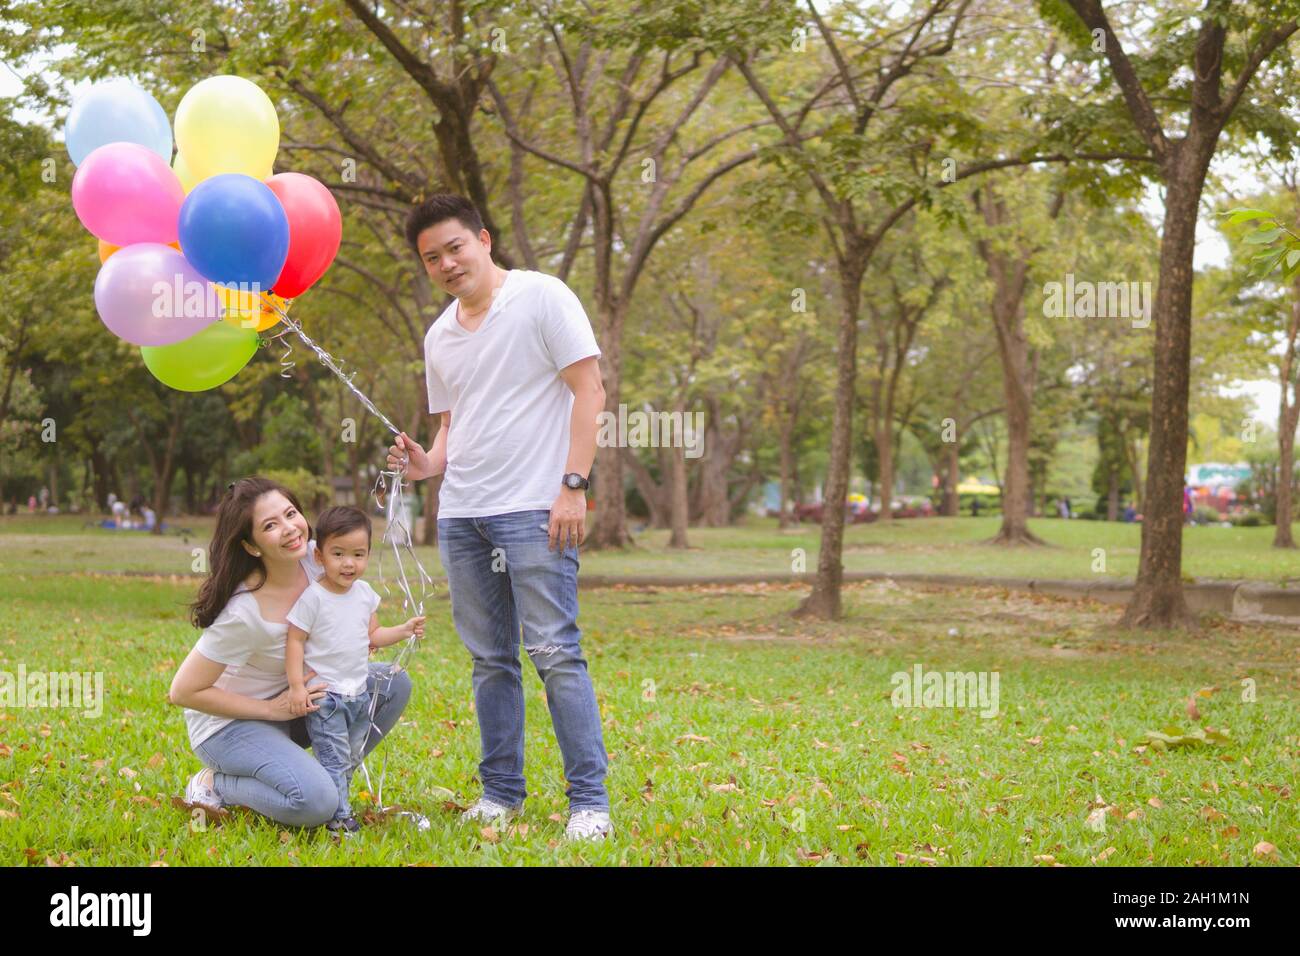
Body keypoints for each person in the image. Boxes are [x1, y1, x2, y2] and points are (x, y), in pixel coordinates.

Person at [386, 194, 612, 841]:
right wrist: (427, 464)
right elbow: (453, 425)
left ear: (484, 239)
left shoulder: (542, 297)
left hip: (534, 510)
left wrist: (573, 485)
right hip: (462, 515)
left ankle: (589, 805)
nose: (447, 263)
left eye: (455, 247)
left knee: (555, 654)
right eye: (432, 258)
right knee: (491, 662)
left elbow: (588, 388)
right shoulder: (439, 336)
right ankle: (500, 794)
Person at [167, 477, 414, 828]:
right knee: (315, 804)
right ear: (252, 546)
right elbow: (183, 692)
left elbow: (347, 604)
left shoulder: (315, 560)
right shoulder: (243, 611)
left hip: (301, 703)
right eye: (270, 525)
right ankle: (215, 784)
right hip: (230, 727)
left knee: (392, 684)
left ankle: (331, 778)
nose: (289, 529)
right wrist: (270, 709)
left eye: (290, 513)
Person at [285, 506, 425, 837]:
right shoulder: (313, 598)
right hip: (326, 698)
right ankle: (339, 819)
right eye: (338, 554)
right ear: (319, 556)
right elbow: (294, 642)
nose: (349, 563)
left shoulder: (364, 595)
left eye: (358, 554)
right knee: (334, 759)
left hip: (359, 694)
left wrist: (403, 629)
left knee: (348, 757)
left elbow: (373, 637)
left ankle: (336, 805)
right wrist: (295, 686)